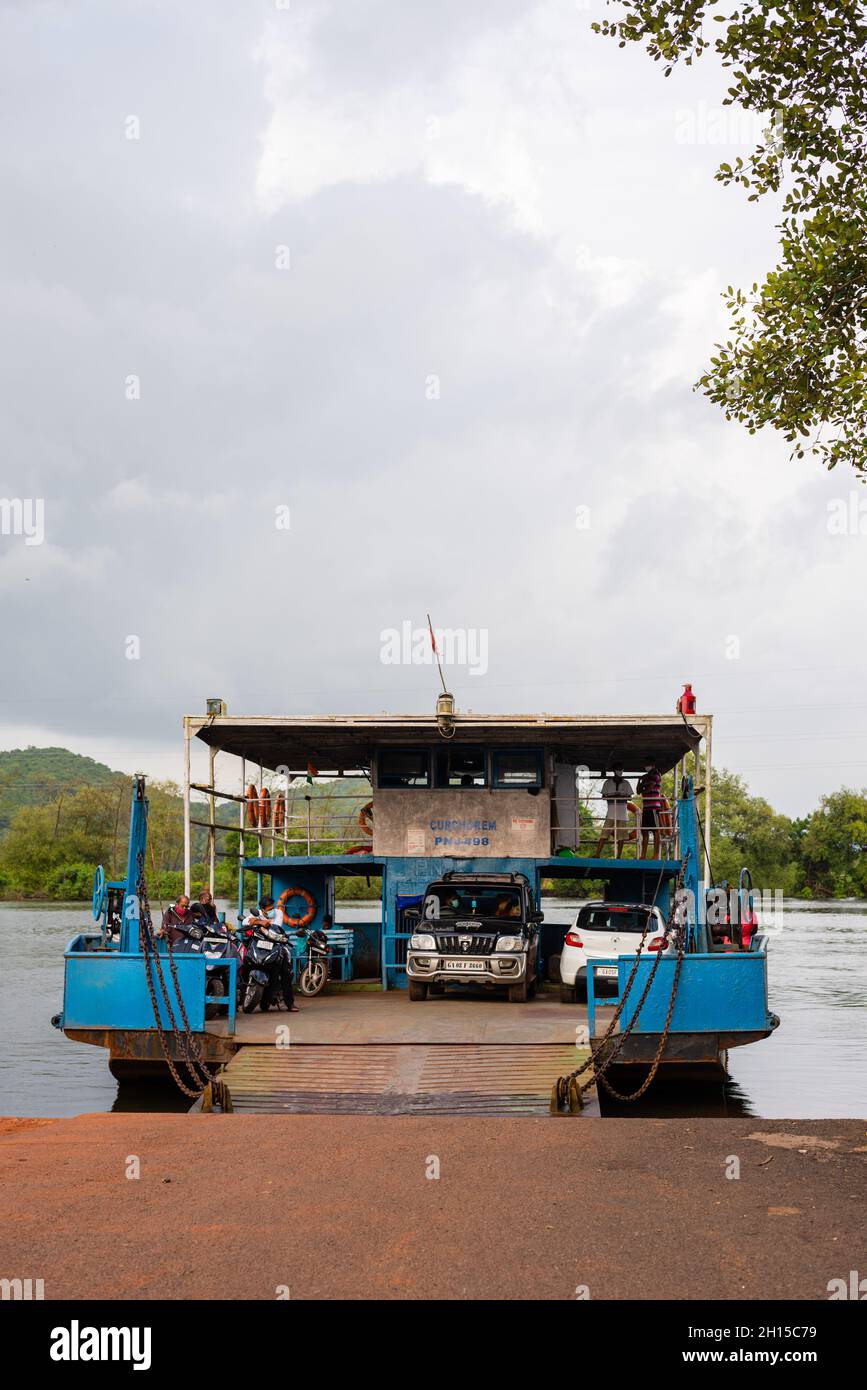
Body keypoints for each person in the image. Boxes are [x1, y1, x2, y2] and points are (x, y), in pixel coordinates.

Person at [243, 895, 298, 1012]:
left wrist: (257, 922)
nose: (272, 909)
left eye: (272, 907)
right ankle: (239, 998)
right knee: (244, 961)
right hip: (259, 943)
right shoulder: (257, 912)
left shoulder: (278, 913)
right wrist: (260, 921)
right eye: (269, 908)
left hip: (276, 943)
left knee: (286, 971)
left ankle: (290, 1003)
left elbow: (276, 925)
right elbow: (245, 922)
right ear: (262, 908)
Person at [594, 763, 634, 858]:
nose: (620, 771)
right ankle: (597, 854)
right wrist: (614, 796)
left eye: (621, 769)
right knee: (604, 834)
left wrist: (620, 796)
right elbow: (603, 797)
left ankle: (619, 856)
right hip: (611, 813)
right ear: (614, 770)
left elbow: (630, 797)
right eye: (618, 769)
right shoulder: (607, 783)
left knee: (621, 836)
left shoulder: (626, 783)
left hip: (622, 814)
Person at [637, 757, 663, 860]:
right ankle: (643, 855)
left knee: (656, 831)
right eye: (645, 764)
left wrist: (644, 785)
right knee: (645, 831)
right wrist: (640, 782)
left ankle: (655, 855)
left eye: (648, 764)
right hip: (646, 808)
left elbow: (649, 789)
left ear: (653, 765)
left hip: (654, 807)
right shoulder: (645, 777)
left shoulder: (656, 775)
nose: (646, 766)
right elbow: (639, 791)